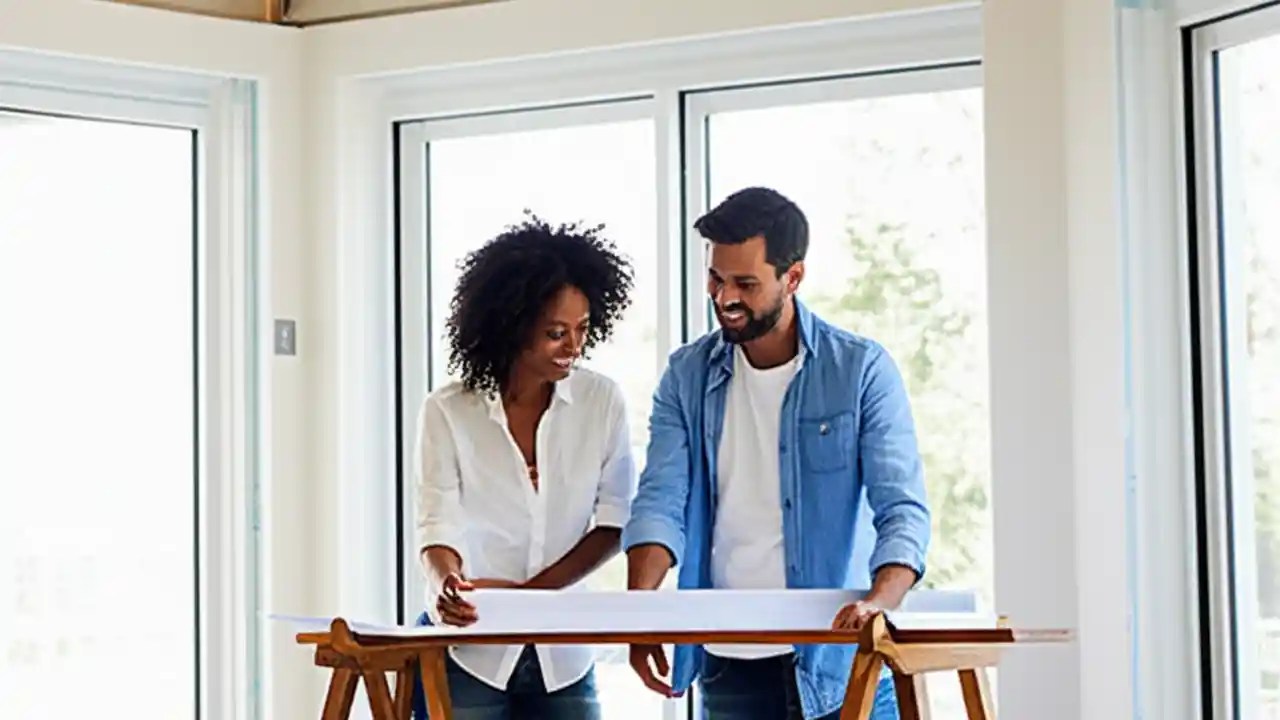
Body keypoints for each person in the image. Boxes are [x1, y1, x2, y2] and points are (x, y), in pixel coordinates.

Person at [620, 187, 930, 720]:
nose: (724, 298)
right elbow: (660, 501)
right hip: (728, 664)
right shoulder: (685, 377)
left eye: (745, 284)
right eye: (716, 279)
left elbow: (902, 509)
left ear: (793, 278)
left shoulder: (860, 371)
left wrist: (879, 603)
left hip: (844, 657)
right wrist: (638, 613)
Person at [410, 214, 639, 720]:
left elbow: (614, 522)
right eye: (557, 332)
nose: (574, 347)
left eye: (582, 329)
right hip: (468, 649)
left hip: (565, 652)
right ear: (512, 326)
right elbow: (437, 523)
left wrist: (528, 600)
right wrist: (448, 582)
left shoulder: (602, 402)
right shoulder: (447, 410)